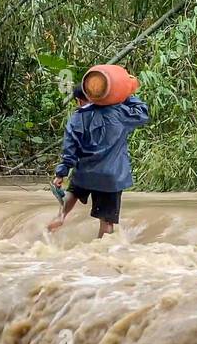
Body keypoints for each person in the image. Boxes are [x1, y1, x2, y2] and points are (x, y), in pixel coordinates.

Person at [48, 83, 150, 238]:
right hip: (111, 176)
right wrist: (126, 94)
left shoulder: (76, 119)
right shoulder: (118, 112)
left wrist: (61, 174)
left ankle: (61, 215)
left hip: (85, 172)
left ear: (79, 100)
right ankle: (101, 249)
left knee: (74, 191)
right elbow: (142, 113)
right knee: (107, 222)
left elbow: (69, 150)